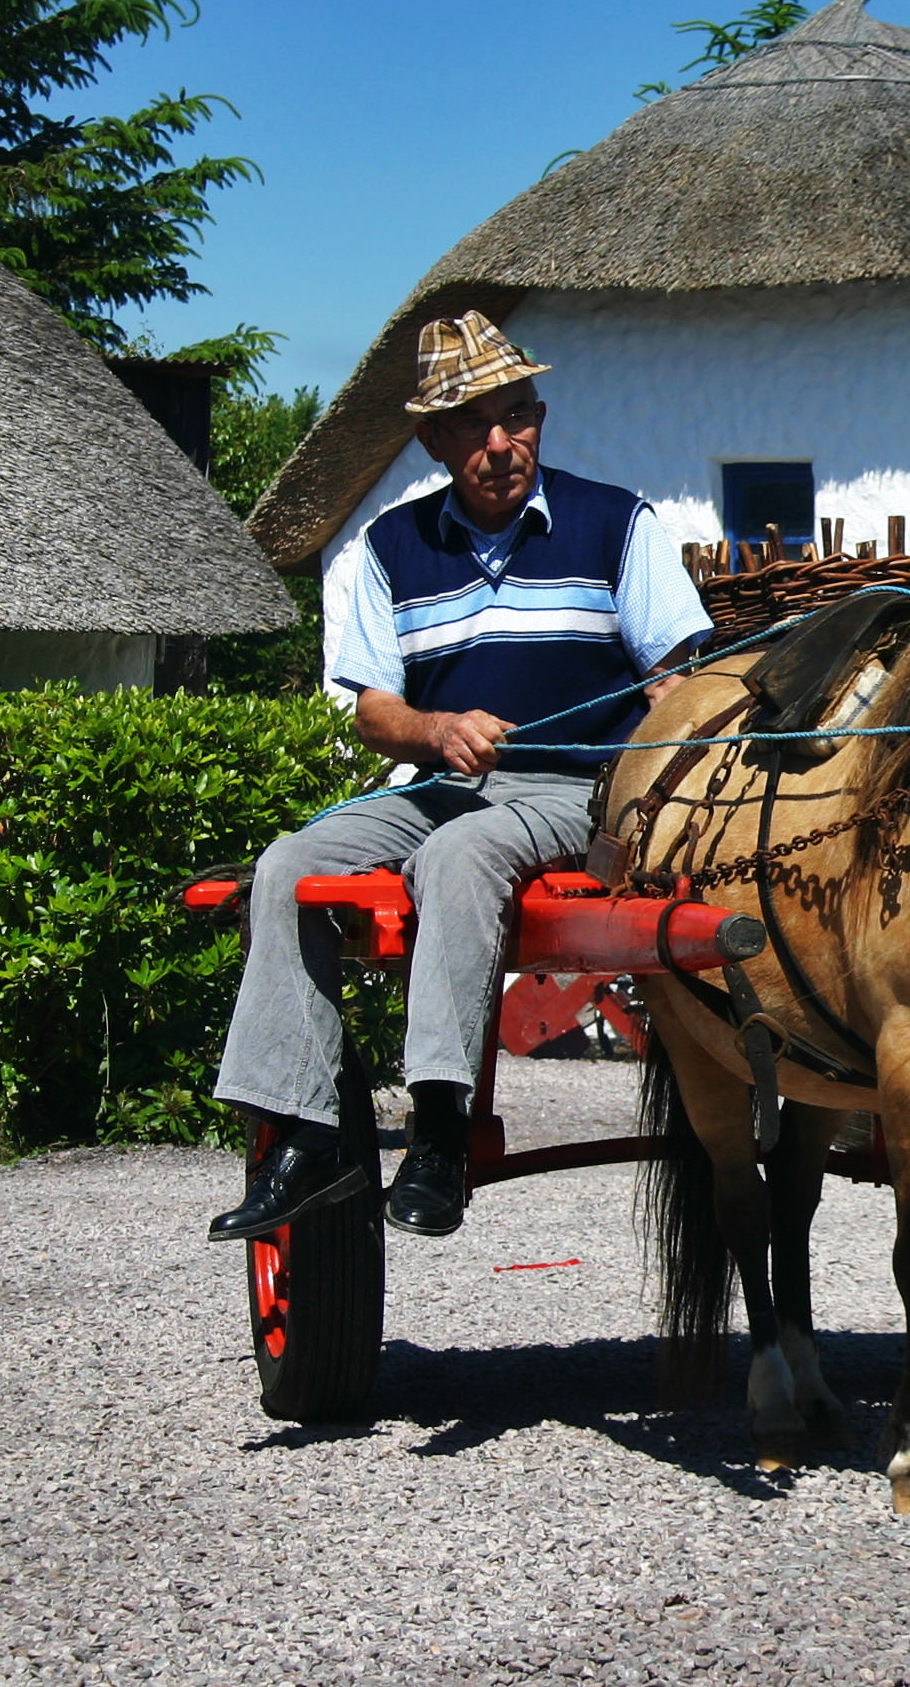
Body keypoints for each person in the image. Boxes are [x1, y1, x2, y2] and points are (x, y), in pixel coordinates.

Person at [208, 311, 711, 1242]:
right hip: (438, 783)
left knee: (460, 854)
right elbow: (372, 710)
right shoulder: (389, 550)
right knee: (283, 863)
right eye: (473, 424)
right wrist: (435, 729)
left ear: (540, 416)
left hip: (575, 790)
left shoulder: (616, 524)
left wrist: (650, 779)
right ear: (431, 438)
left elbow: (675, 683)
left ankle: (438, 1129)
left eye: (515, 416)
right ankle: (306, 1134)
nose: (499, 443)